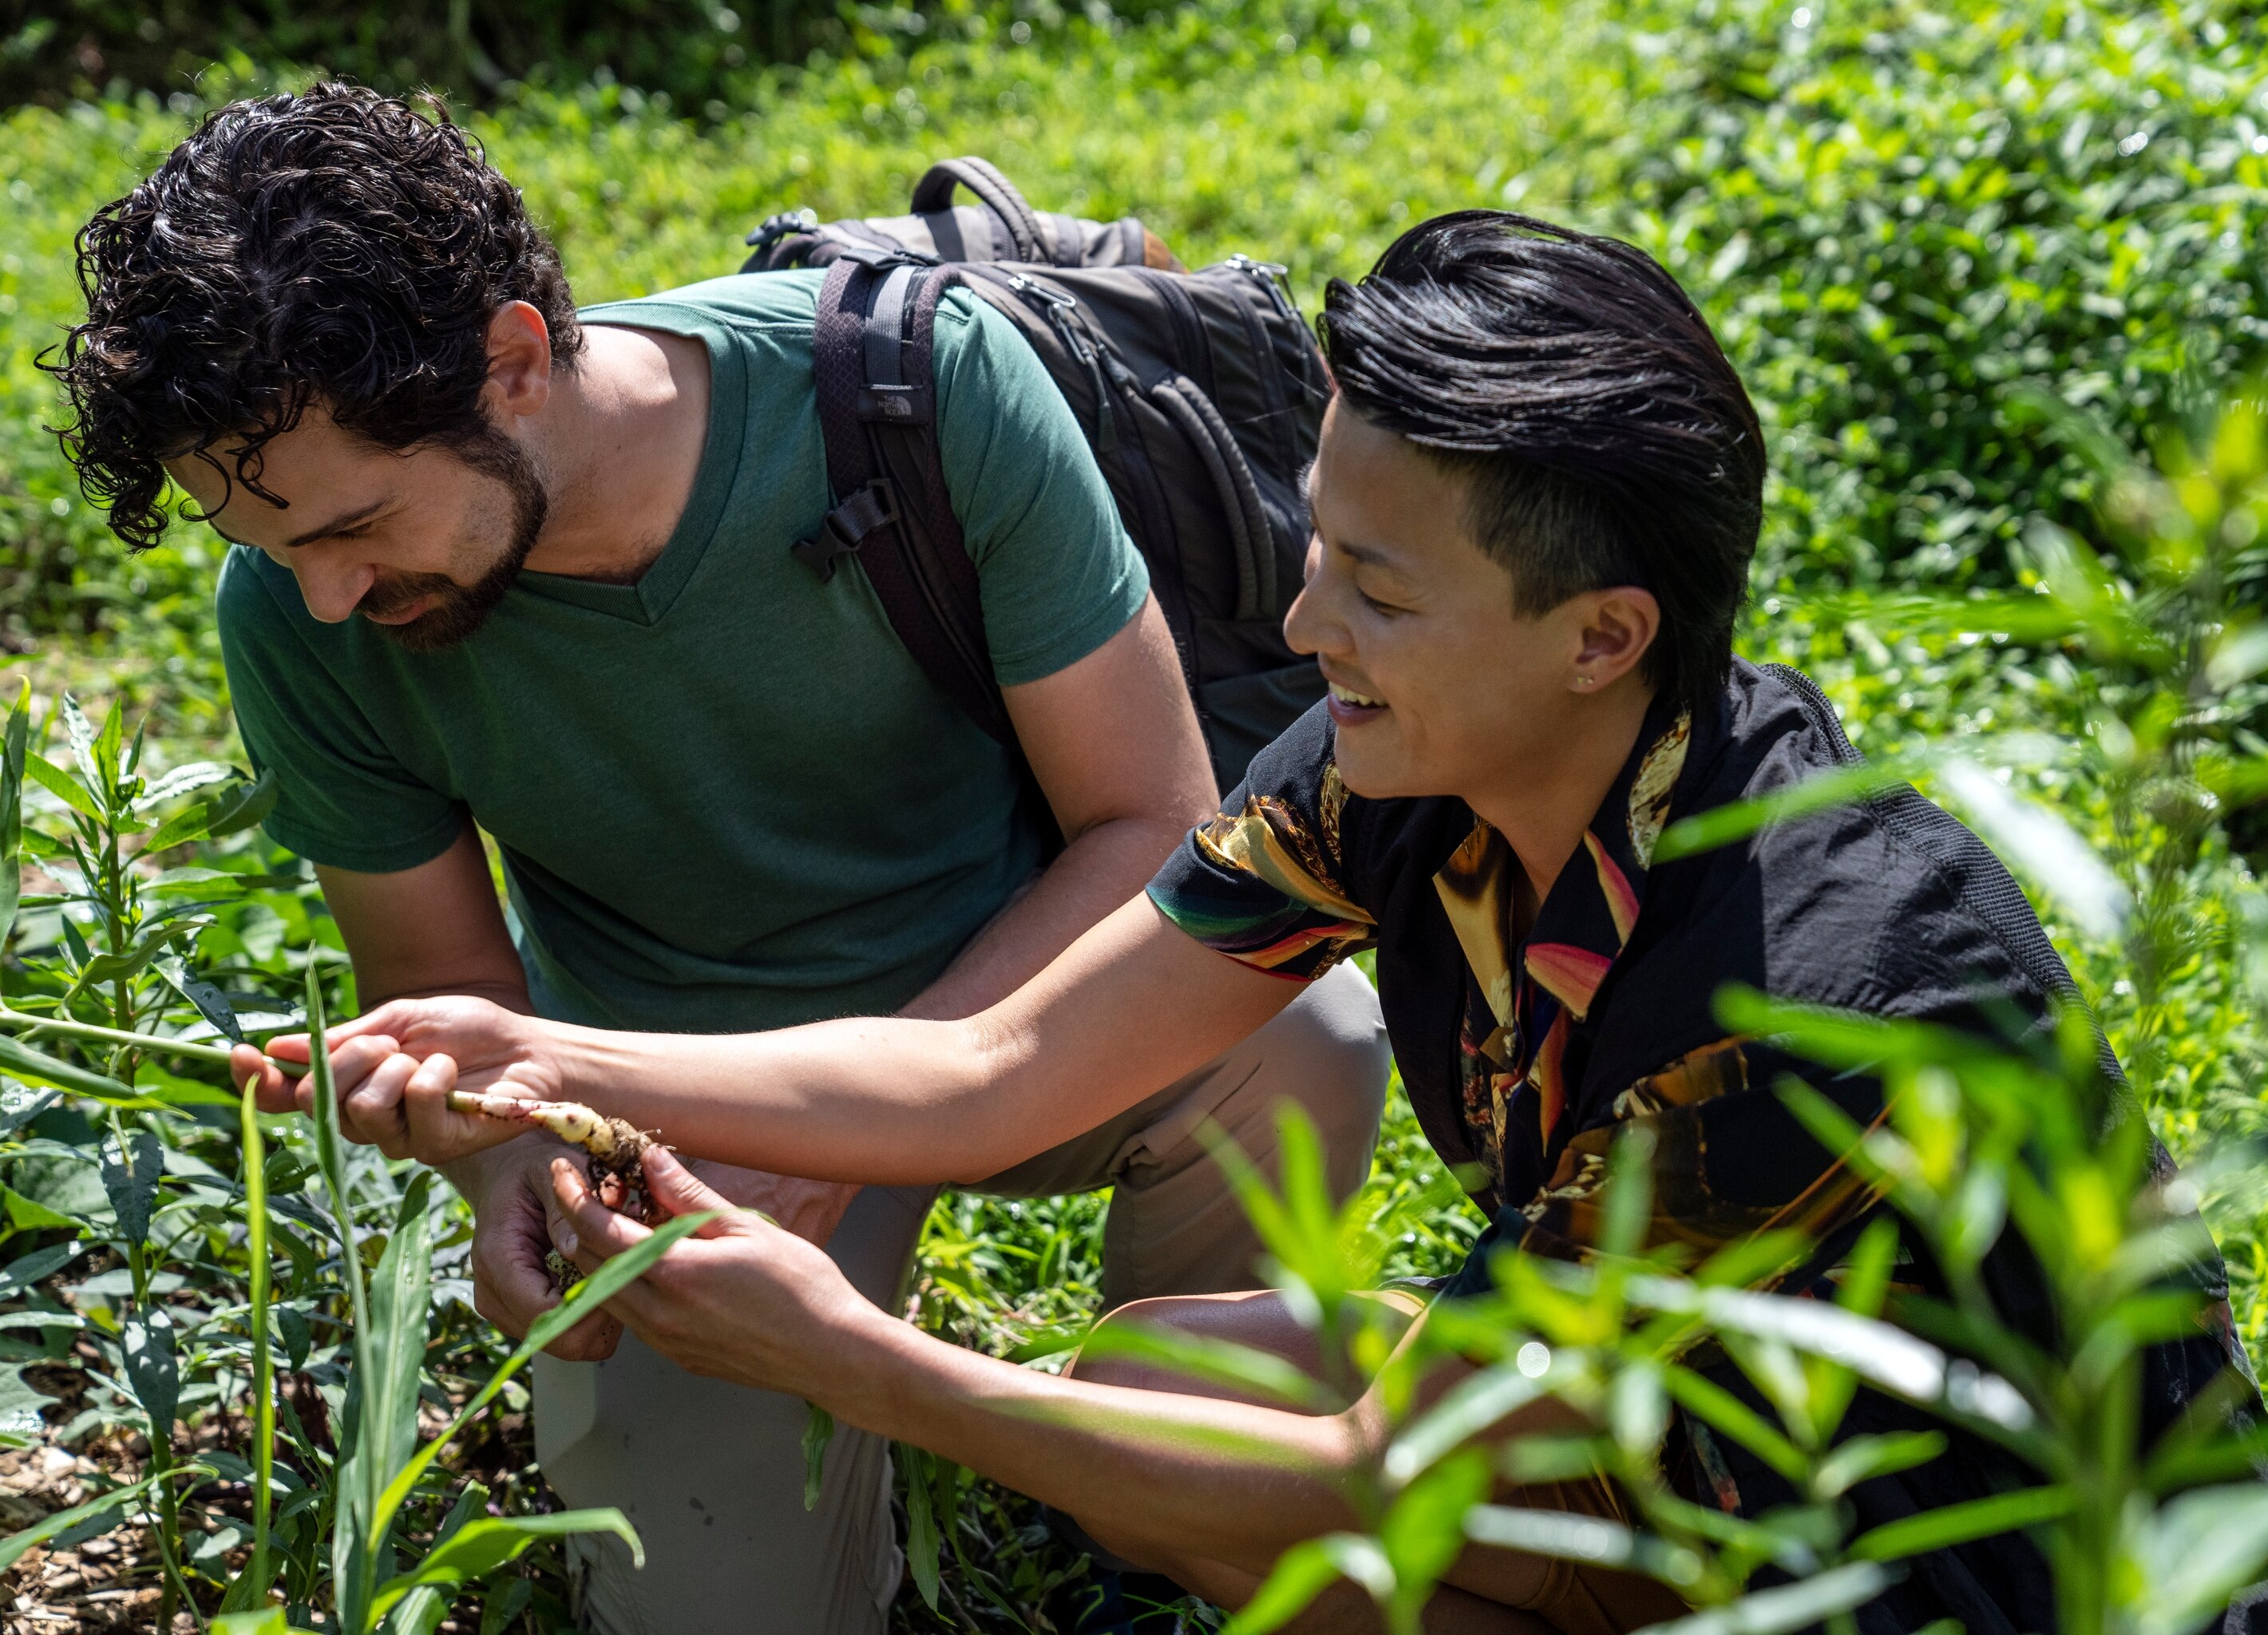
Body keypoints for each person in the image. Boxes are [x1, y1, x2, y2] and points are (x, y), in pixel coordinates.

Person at [267, 211, 2268, 1633]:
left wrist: (878, 1369)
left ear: (1604, 633)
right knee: (1164, 1372)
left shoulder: (1785, 1015)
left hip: (1959, 1580)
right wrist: (548, 1055)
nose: (1305, 625)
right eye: (1318, 548)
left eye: (1379, 592)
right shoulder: (1400, 780)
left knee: (1282, 1502)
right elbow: (1001, 1066)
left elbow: (1365, 1477)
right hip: (1694, 1450)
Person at [49, 83, 1391, 1635]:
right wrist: (508, 1166)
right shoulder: (298, 610)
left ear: (517, 359)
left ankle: (1146, 1482)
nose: (332, 598)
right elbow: (443, 989)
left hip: (1034, 991)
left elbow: (1149, 831)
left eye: (358, 526)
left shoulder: (920, 389)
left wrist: (840, 1129)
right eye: (278, 550)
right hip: (668, 1124)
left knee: (1297, 1029)